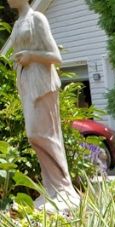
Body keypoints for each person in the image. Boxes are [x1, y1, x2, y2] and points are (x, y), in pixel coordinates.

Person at [7, 0, 80, 211]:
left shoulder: (36, 19)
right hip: (27, 83)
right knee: (34, 136)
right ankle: (51, 188)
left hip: (43, 83)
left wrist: (31, 56)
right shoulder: (17, 24)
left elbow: (55, 57)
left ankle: (64, 189)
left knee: (45, 135)